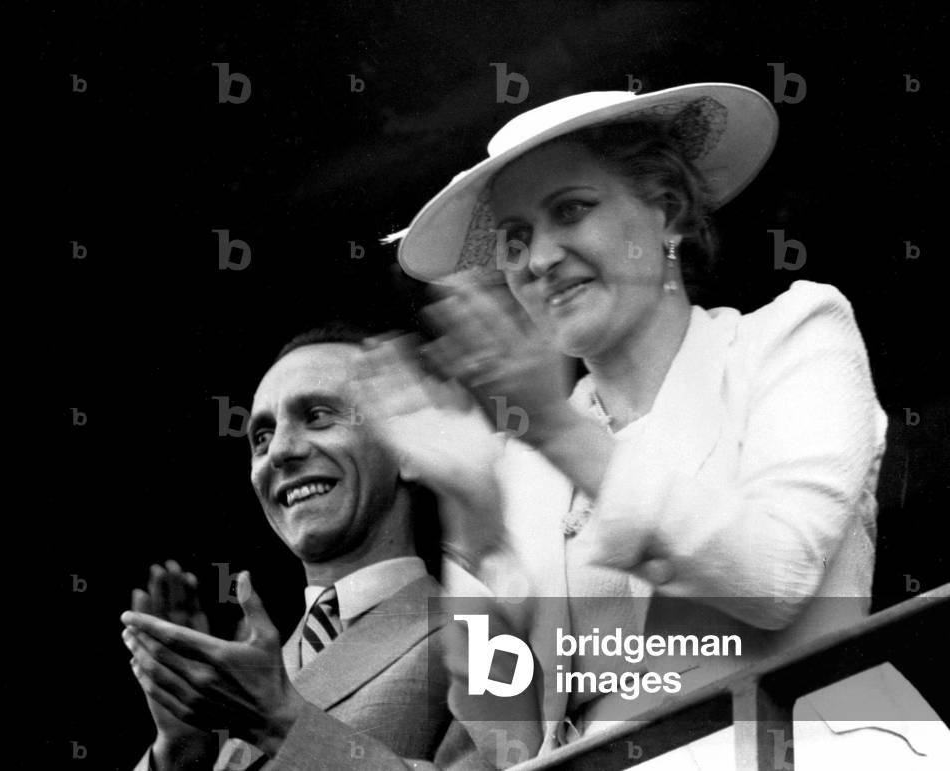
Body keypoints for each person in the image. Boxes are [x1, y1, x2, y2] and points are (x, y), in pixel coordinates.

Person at [369, 83, 948, 768]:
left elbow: (774, 575)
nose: (540, 258)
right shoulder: (518, 465)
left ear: (666, 211)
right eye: (516, 238)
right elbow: (512, 738)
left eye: (571, 210)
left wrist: (554, 427)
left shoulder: (792, 337)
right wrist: (468, 520)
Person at [120, 324, 512, 770]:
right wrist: (181, 749)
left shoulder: (484, 638)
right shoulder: (245, 678)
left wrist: (282, 722)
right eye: (261, 437)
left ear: (407, 449)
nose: (280, 451)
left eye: (319, 415)